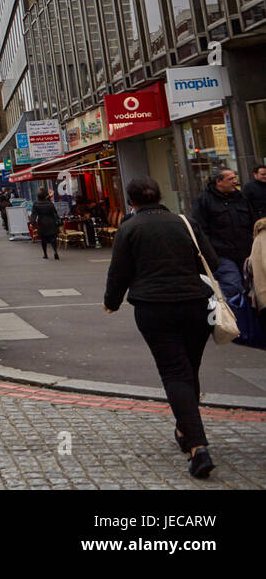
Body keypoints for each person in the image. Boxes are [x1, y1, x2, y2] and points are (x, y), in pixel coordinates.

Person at [104, 176, 217, 479]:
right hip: (196, 305)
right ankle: (185, 429)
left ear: (132, 201)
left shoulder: (129, 228)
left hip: (155, 308)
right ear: (160, 195)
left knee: (174, 372)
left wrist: (112, 302)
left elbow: (119, 272)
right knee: (189, 369)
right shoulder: (185, 223)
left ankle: (197, 447)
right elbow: (213, 262)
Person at [191, 169, 251, 299]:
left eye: (235, 177)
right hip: (222, 255)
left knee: (250, 289)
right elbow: (200, 230)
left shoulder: (240, 197)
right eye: (230, 179)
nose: (235, 181)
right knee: (233, 288)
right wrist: (211, 253)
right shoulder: (204, 200)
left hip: (245, 253)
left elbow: (252, 221)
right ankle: (232, 318)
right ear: (218, 181)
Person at [31, 188, 60, 259]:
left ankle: (45, 254)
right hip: (51, 222)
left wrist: (32, 223)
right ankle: (55, 251)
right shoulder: (50, 203)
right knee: (53, 238)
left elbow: (34, 214)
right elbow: (55, 213)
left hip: (42, 222)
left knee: (44, 239)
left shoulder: (36, 204)